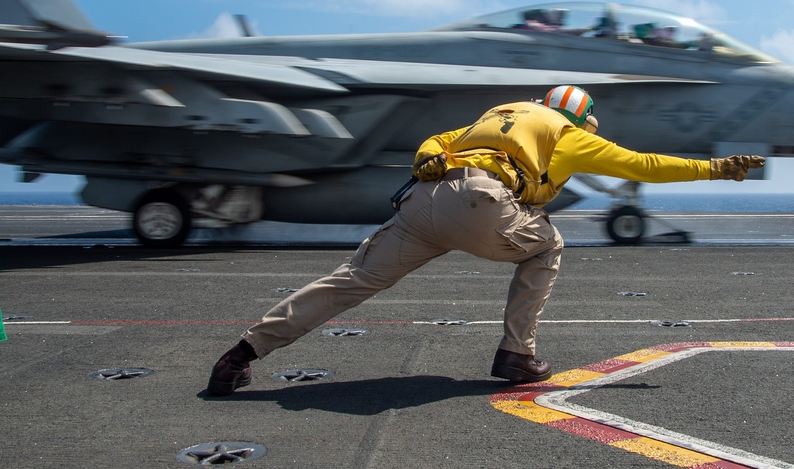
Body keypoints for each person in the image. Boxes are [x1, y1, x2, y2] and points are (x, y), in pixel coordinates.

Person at [207, 85, 764, 395]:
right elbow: (641, 164)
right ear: (582, 119)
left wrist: (428, 151)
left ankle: (242, 354)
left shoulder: (500, 112)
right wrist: (715, 169)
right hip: (482, 204)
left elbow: (438, 139)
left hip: (425, 203)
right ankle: (516, 356)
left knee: (351, 281)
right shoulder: (567, 133)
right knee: (549, 246)